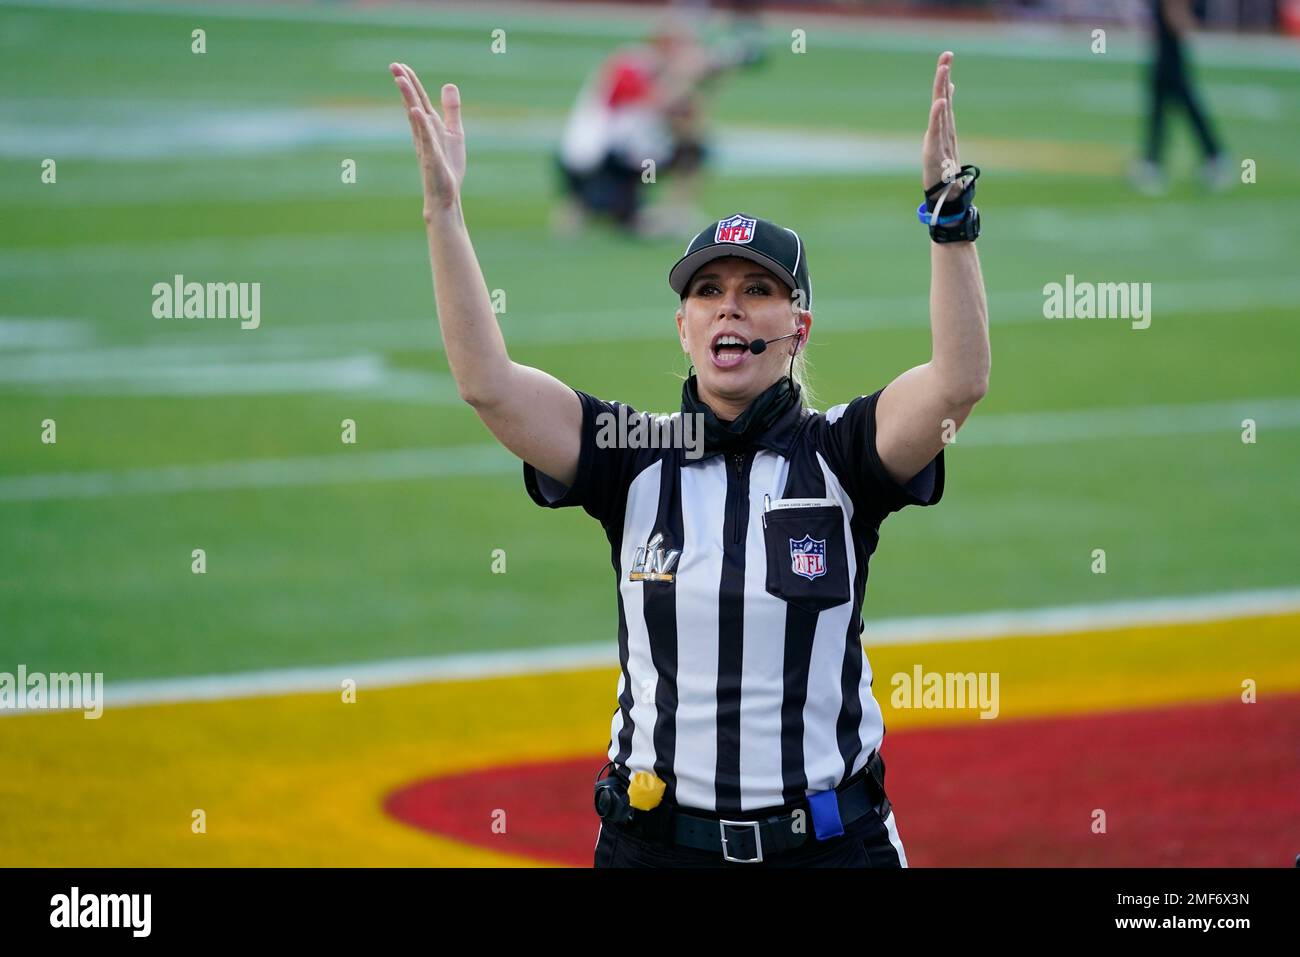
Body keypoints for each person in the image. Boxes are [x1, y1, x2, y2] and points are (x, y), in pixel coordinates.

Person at [389, 49, 989, 867]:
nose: (729, 307)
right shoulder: (631, 455)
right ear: (684, 327)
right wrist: (444, 214)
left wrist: (947, 222)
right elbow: (487, 384)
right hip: (657, 844)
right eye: (707, 292)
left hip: (827, 844)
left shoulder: (842, 452)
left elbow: (958, 382)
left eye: (756, 289)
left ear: (797, 327)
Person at [552, 17, 764, 238]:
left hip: (630, 155)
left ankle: (677, 212)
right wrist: (687, 76)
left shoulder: (664, 72)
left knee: (692, 149)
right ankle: (584, 208)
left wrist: (718, 77)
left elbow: (691, 118)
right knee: (618, 218)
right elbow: (656, 103)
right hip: (597, 157)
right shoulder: (631, 64)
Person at [1133, 0, 1228, 195]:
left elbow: (1178, 16)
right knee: (1166, 107)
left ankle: (1214, 157)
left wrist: (1178, 20)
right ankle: (1153, 162)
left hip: (1170, 53)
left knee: (1180, 106)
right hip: (1165, 50)